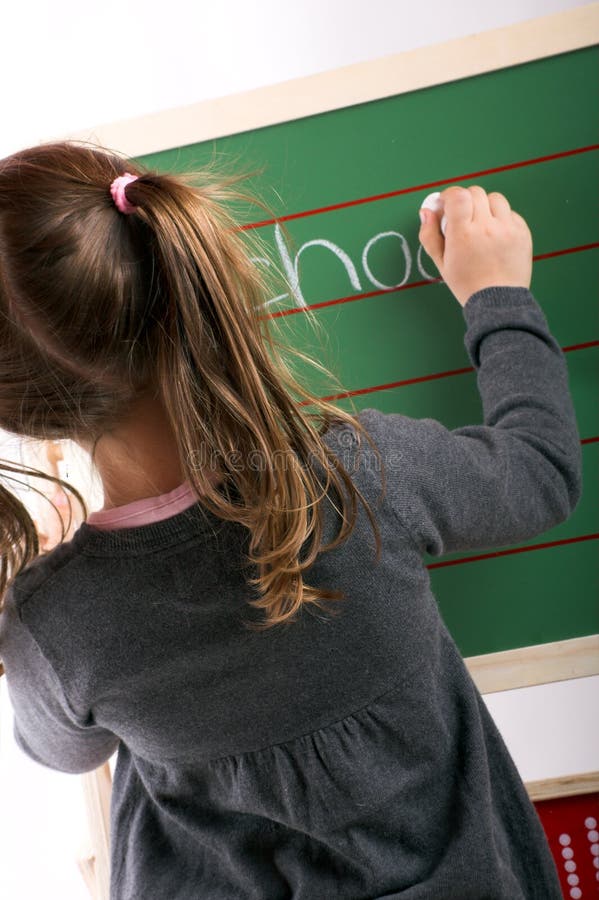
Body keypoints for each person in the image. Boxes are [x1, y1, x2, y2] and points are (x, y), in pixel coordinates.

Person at [0, 141, 580, 899]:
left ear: (26, 411)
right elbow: (539, 473)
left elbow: (61, 752)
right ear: (182, 277)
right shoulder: (357, 479)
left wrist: (41, 603)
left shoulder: (56, 622)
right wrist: (495, 295)